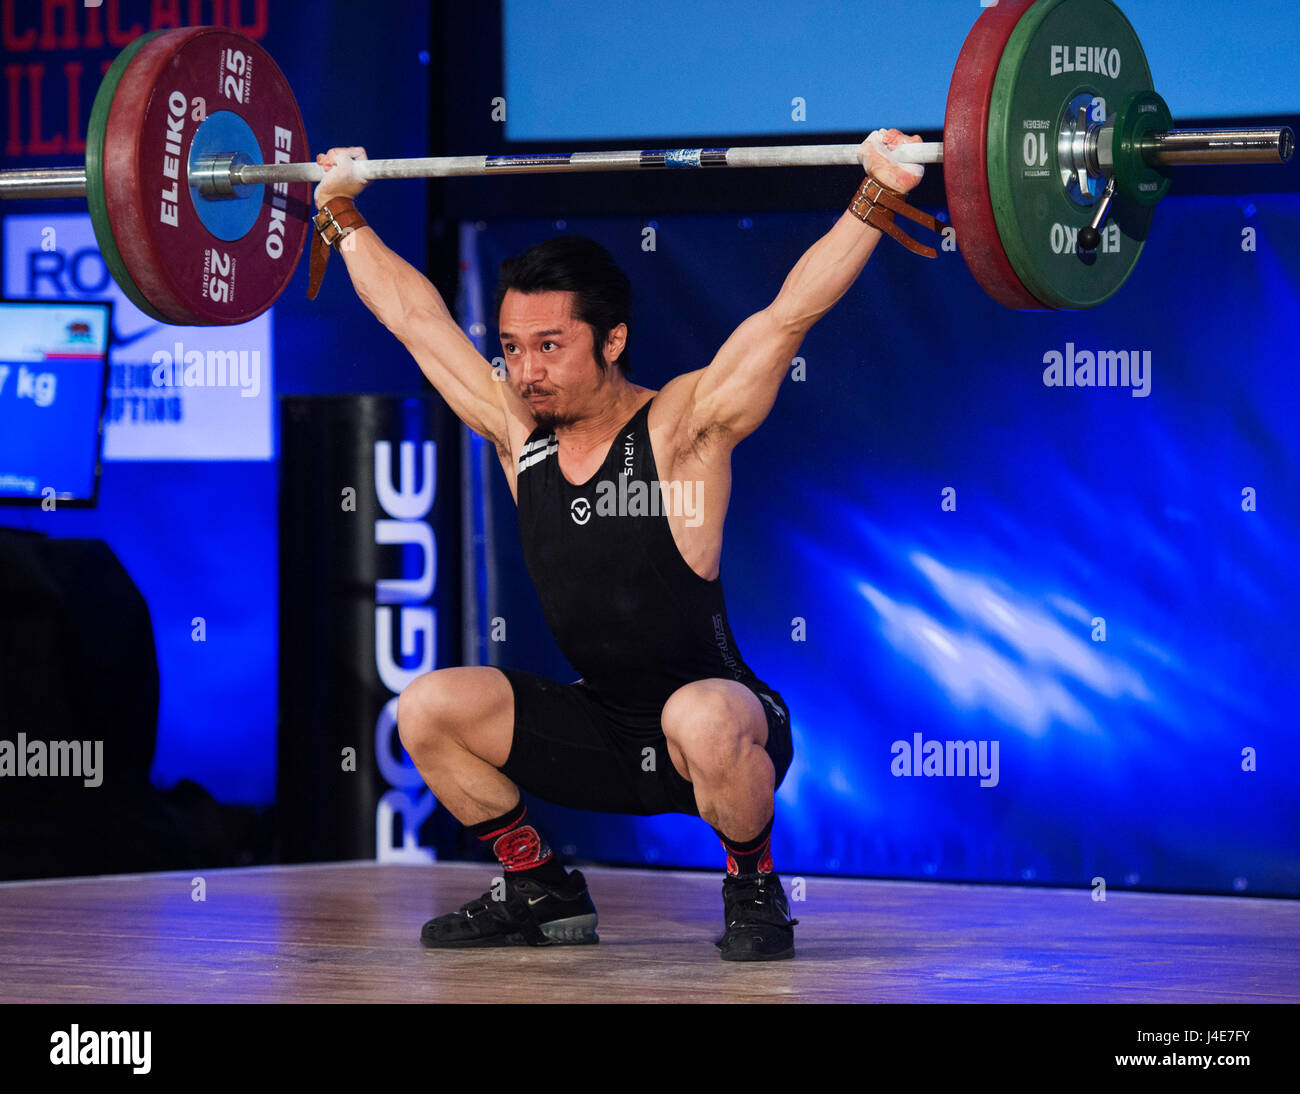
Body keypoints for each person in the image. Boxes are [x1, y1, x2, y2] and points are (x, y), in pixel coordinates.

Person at [311, 130, 929, 960]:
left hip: (722, 725)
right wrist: (341, 215)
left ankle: (752, 885)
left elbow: (789, 317)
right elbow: (417, 321)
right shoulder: (516, 435)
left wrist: (877, 195)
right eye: (513, 348)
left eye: (550, 346)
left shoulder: (681, 430)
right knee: (426, 710)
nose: (526, 371)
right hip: (603, 726)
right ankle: (539, 888)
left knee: (699, 711)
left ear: (612, 340)